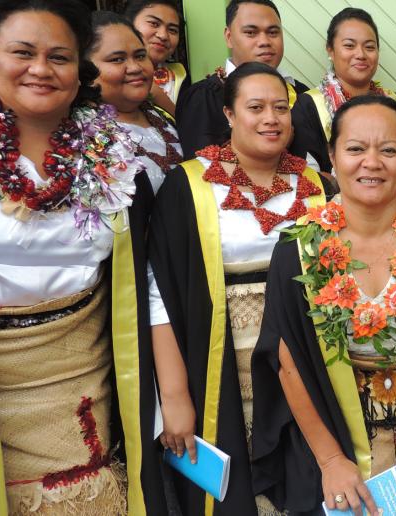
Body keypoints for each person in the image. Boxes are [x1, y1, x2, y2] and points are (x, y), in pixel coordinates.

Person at [250, 95, 396, 516]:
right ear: (332, 155)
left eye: (389, 149)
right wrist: (330, 461)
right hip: (334, 442)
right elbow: (289, 365)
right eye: (356, 148)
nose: (371, 162)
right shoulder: (298, 251)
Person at [147, 62, 328, 514]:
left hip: (299, 362)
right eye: (256, 107)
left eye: (281, 108)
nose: (271, 118)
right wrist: (172, 396)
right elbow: (160, 294)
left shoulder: (315, 185)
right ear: (228, 114)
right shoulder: (189, 185)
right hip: (221, 367)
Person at [0, 0, 156, 513]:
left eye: (59, 57)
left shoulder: (115, 158)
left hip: (91, 378)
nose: (40, 69)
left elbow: (147, 280)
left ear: (79, 72)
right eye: (22, 53)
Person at [175, 0, 311, 159]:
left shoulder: (302, 94)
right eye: (251, 33)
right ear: (229, 37)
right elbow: (201, 171)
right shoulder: (203, 98)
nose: (264, 42)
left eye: (273, 32)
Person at [90, 11, 182, 194]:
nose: (135, 68)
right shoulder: (79, 134)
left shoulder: (162, 115)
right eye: (117, 59)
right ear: (85, 69)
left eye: (140, 56)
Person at [297, 7, 396, 174]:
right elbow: (309, 176)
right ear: (330, 50)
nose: (361, 54)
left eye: (370, 47)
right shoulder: (308, 106)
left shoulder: (394, 101)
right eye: (349, 46)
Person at [124, 0, 187, 114]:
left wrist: (156, 94)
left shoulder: (180, 77)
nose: (163, 35)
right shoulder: (109, 73)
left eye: (172, 30)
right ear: (129, 24)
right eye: (154, 24)